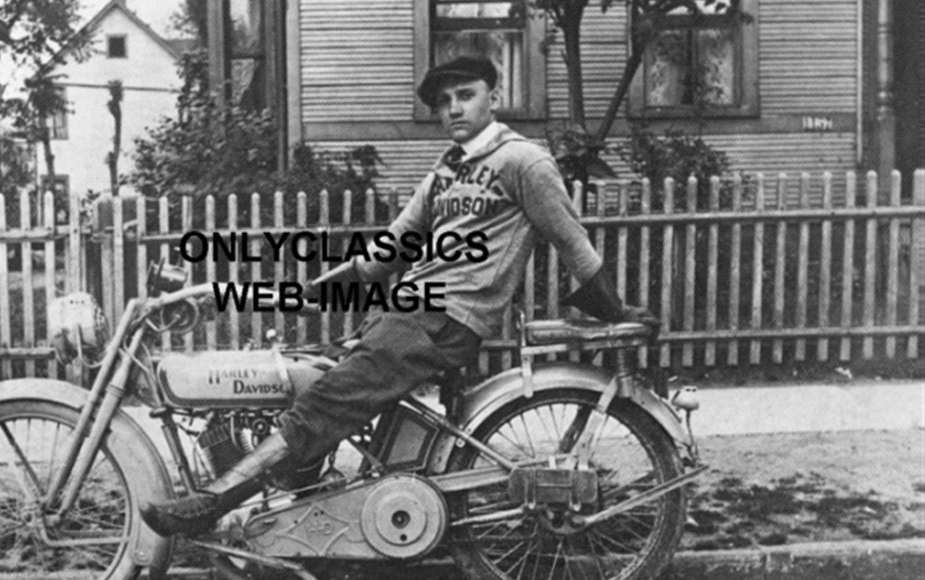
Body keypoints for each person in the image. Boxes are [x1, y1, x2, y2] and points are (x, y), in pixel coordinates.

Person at [142, 55, 639, 537]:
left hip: (447, 318)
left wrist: (612, 309)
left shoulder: (523, 161)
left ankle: (215, 502)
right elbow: (387, 253)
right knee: (304, 378)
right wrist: (315, 290)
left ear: (495, 96)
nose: (454, 109)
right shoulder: (446, 172)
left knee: (321, 405)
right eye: (445, 102)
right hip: (408, 314)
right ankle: (299, 514)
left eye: (466, 96)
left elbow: (571, 238)